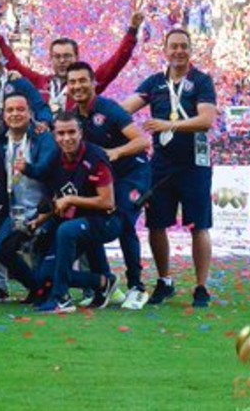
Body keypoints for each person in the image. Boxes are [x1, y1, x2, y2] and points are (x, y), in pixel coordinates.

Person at [120, 29, 218, 308]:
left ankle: (201, 286)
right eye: (173, 46)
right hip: (161, 165)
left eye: (183, 46)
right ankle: (165, 281)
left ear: (190, 50)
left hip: (194, 164)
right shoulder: (155, 82)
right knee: (156, 224)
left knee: (199, 225)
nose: (178, 51)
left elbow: (206, 120)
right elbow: (124, 109)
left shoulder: (201, 81)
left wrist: (168, 124)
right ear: (164, 51)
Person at [0, 39, 52, 303]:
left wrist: (43, 123)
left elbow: (41, 108)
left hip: (19, 153)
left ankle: (41, 282)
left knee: (34, 232)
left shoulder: (19, 84)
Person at [65, 62, 152, 309]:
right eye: (72, 82)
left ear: (93, 83)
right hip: (107, 177)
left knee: (123, 220)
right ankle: (106, 285)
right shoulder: (73, 115)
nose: (77, 86)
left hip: (133, 173)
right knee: (90, 219)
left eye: (82, 80)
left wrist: (115, 153)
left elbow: (142, 142)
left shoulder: (109, 109)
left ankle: (137, 287)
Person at [29, 113, 119, 314]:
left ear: (81, 133)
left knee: (66, 230)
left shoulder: (96, 158)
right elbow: (56, 198)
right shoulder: (55, 158)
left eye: (71, 132)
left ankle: (61, 298)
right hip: (76, 222)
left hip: (106, 220)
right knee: (45, 274)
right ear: (54, 135)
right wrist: (38, 220)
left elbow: (107, 202)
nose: (66, 138)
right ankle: (103, 282)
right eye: (61, 133)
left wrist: (71, 200)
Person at [0, 10, 143, 114]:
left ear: (76, 58)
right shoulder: (39, 82)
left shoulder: (87, 83)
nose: (62, 61)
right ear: (50, 59)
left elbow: (115, 63)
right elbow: (12, 64)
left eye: (67, 56)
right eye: (57, 57)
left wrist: (132, 31)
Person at [0, 94, 54, 303]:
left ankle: (91, 283)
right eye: (10, 110)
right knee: (0, 248)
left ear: (30, 113)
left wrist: (28, 168)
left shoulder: (42, 138)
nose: (15, 114)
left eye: (20, 109)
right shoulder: (3, 141)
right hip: (17, 210)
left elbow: (47, 167)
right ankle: (37, 288)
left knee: (41, 252)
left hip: (44, 209)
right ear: (3, 115)